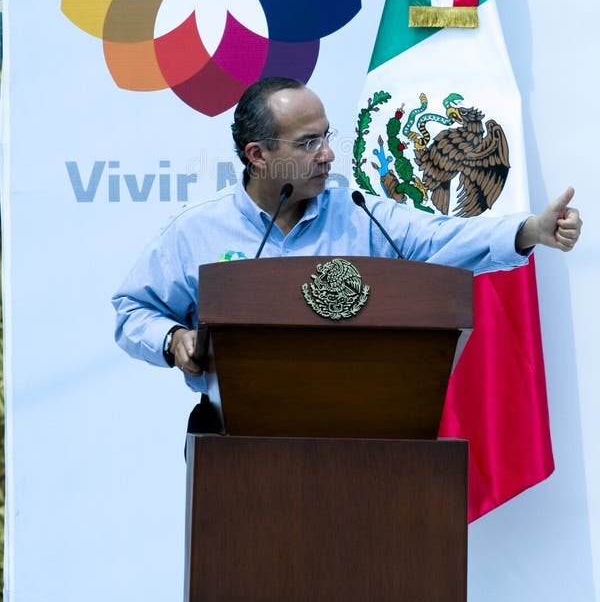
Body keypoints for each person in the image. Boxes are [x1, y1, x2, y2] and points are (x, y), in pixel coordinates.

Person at [113, 77, 582, 390]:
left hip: (359, 434)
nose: (328, 156)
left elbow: (442, 240)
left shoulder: (359, 215)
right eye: (308, 143)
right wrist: (172, 339)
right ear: (257, 155)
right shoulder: (197, 231)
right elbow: (132, 309)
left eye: (326, 136)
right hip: (236, 441)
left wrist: (530, 230)